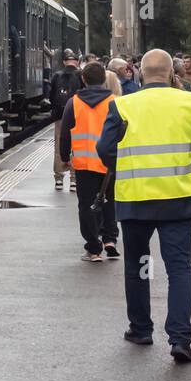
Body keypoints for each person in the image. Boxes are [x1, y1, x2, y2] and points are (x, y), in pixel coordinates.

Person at [97, 48, 191, 363]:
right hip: (179, 200)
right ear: (171, 74)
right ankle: (180, 338)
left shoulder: (123, 105)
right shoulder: (190, 103)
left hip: (136, 199)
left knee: (138, 267)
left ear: (140, 74)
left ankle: (141, 329)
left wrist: (126, 166)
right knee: (179, 268)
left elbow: (104, 148)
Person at [60, 61, 119, 261]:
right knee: (110, 201)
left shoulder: (73, 102)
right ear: (104, 79)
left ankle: (94, 249)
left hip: (84, 163)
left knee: (86, 205)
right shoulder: (115, 101)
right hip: (109, 164)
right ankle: (110, 239)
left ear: (83, 79)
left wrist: (63, 157)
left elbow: (65, 133)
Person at [49, 50, 84, 190]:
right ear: (77, 61)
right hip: (78, 116)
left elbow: (51, 96)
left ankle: (58, 179)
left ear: (64, 62)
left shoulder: (57, 76)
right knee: (76, 147)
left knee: (59, 147)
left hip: (60, 117)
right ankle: (74, 179)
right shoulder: (81, 76)